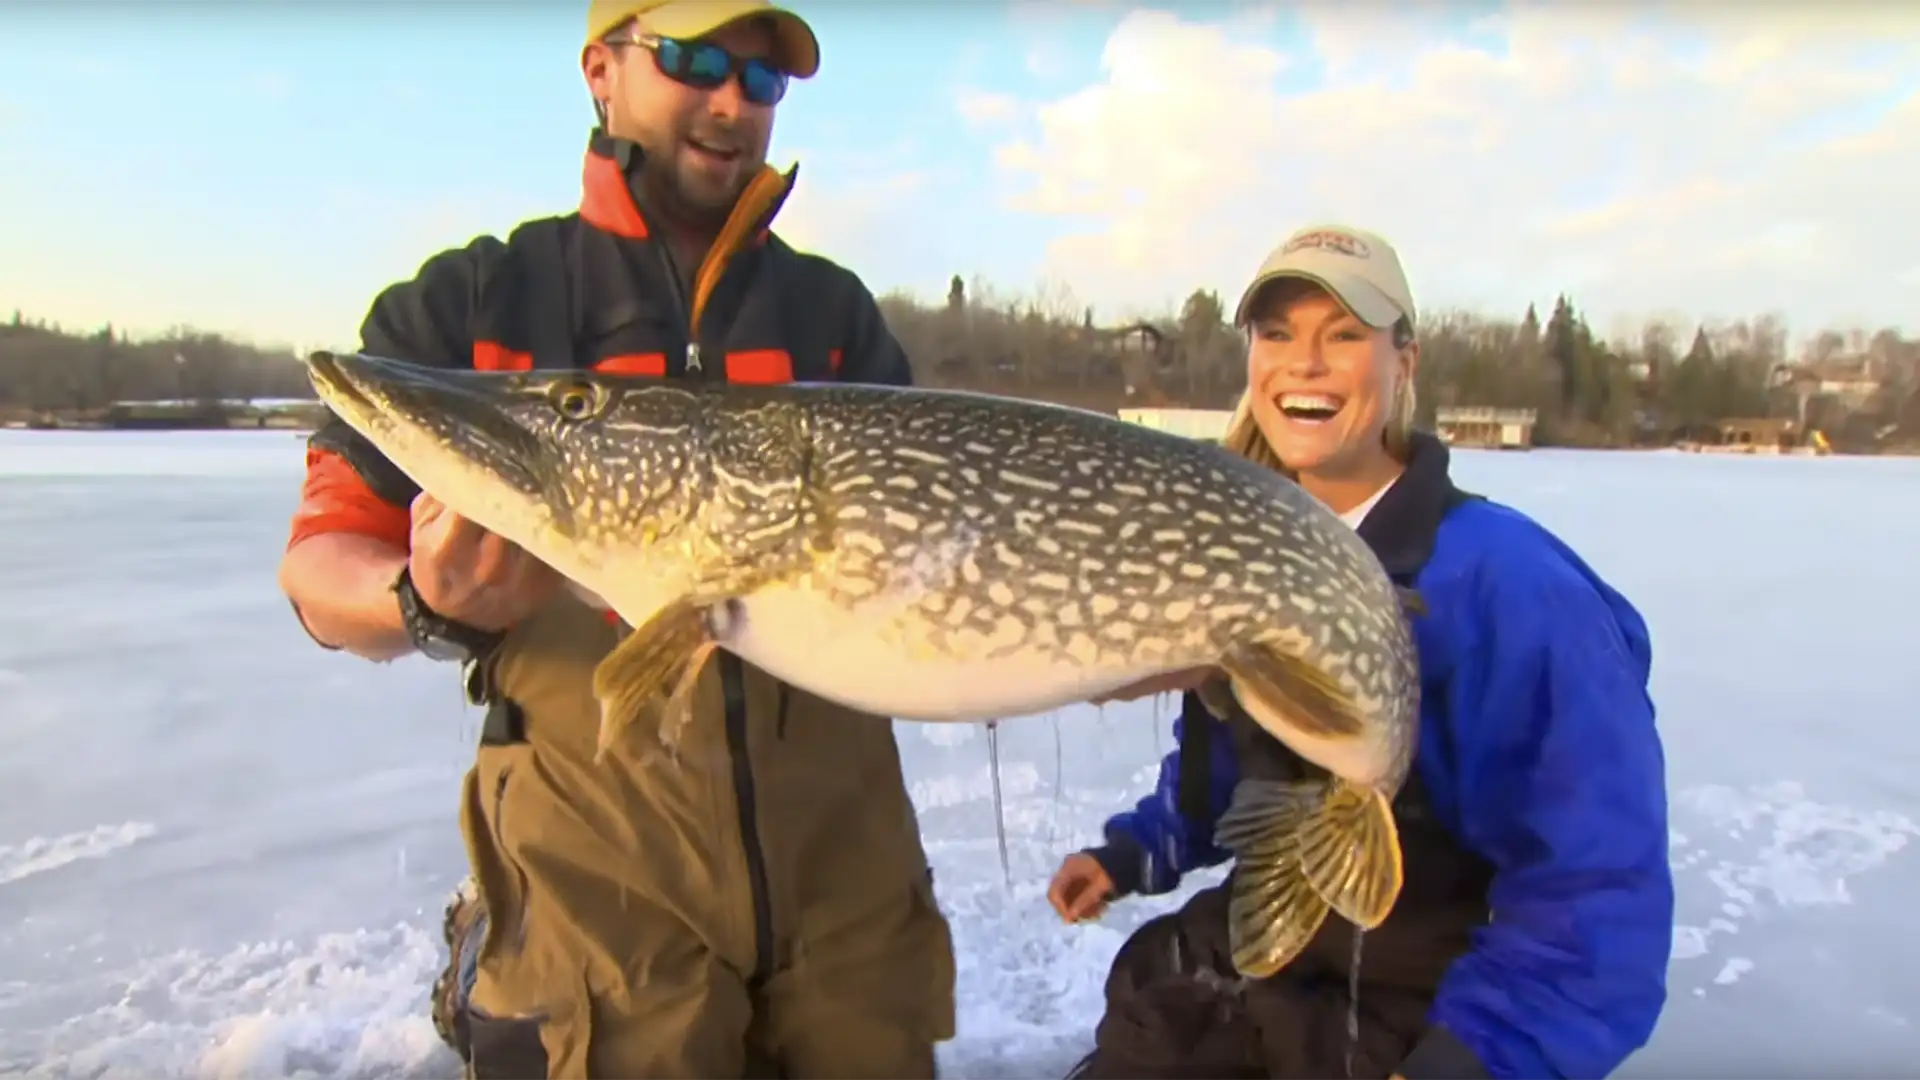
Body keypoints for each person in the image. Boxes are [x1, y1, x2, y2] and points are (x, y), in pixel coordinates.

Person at [275, 2, 955, 1077]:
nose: (731, 102)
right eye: (693, 60)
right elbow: (321, 565)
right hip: (601, 890)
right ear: (601, 70)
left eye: (761, 81)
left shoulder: (834, 317)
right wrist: (421, 602)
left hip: (846, 881)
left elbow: (941, 552)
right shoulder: (479, 299)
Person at [1045, 225, 1674, 1080]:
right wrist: (1137, 850)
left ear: (1403, 363)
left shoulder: (1515, 587)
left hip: (1412, 1019)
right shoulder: (1236, 547)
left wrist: (1463, 1064)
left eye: (1343, 335)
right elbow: (1237, 767)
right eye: (1277, 334)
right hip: (1241, 992)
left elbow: (1594, 898)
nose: (1303, 363)